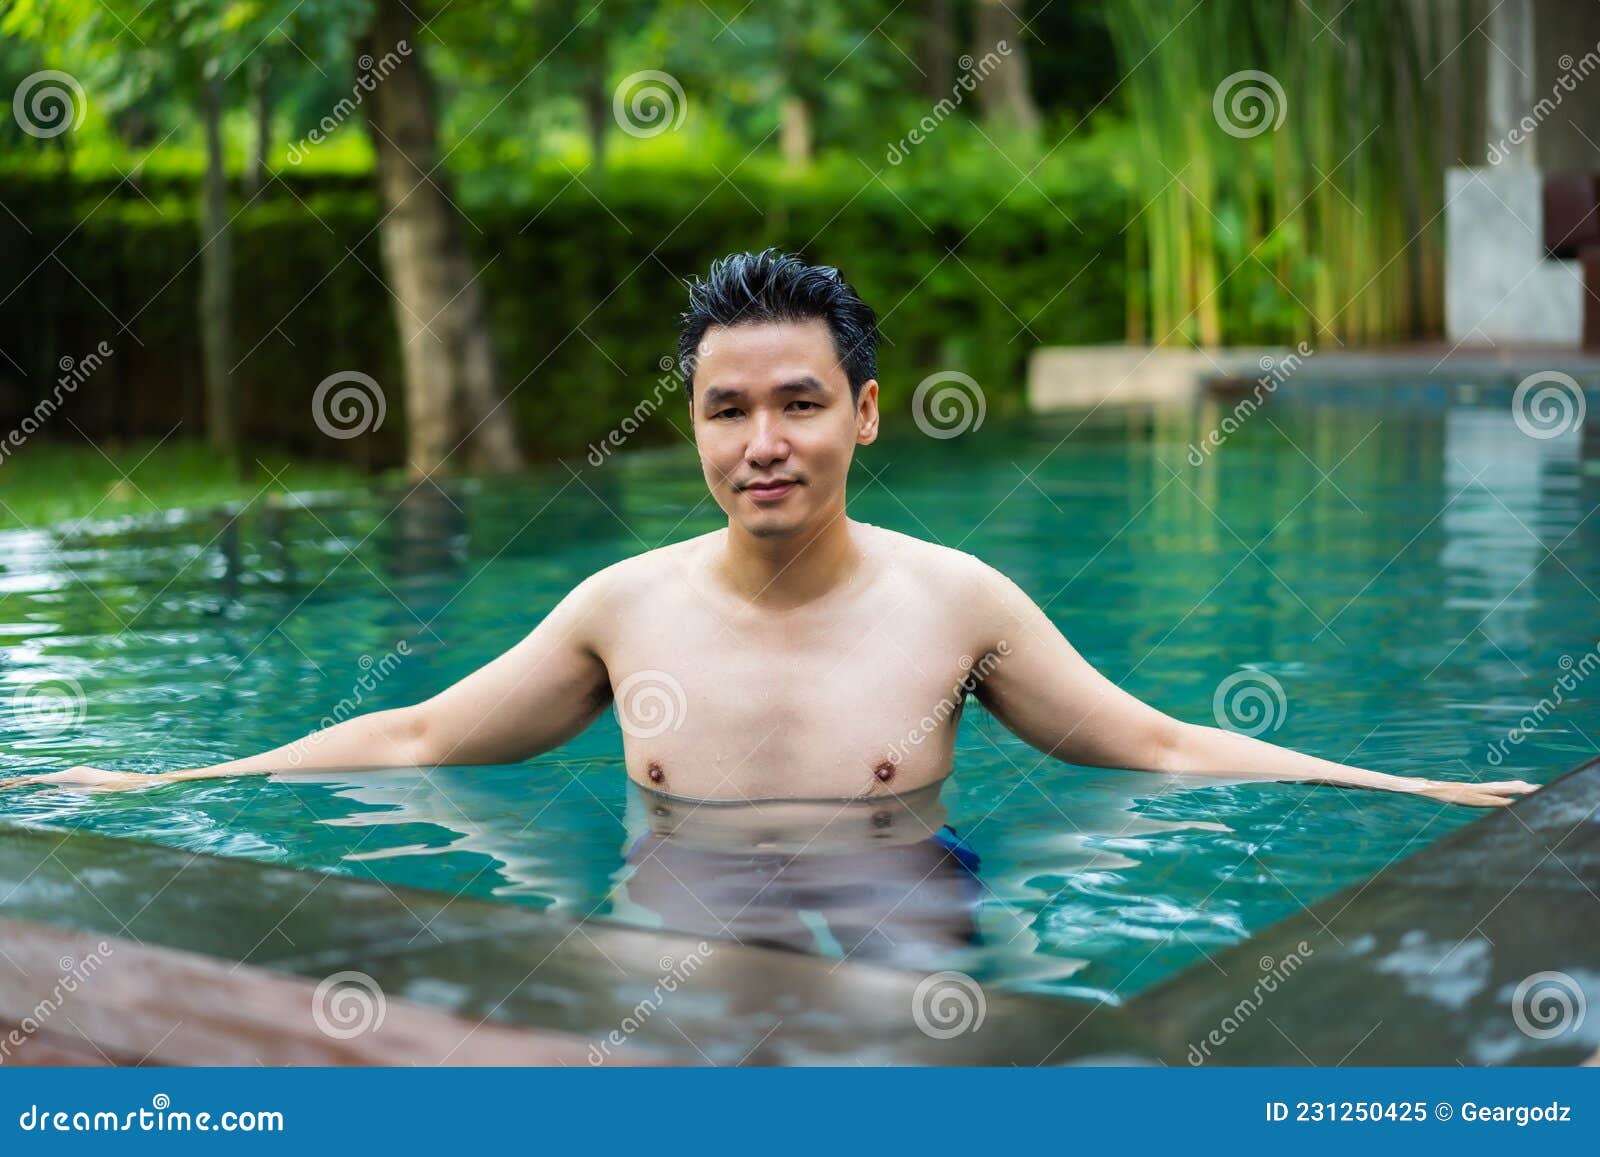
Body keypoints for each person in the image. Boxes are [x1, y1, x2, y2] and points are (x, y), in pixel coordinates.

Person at [3, 249, 1536, 811]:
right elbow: (415, 741)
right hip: (662, 972)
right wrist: (166, 772)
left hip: (909, 952)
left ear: (868, 412)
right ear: (692, 424)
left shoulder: (958, 603)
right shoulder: (622, 607)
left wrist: (1414, 786)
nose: (763, 445)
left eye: (798, 403)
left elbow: (1165, 747)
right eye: (727, 411)